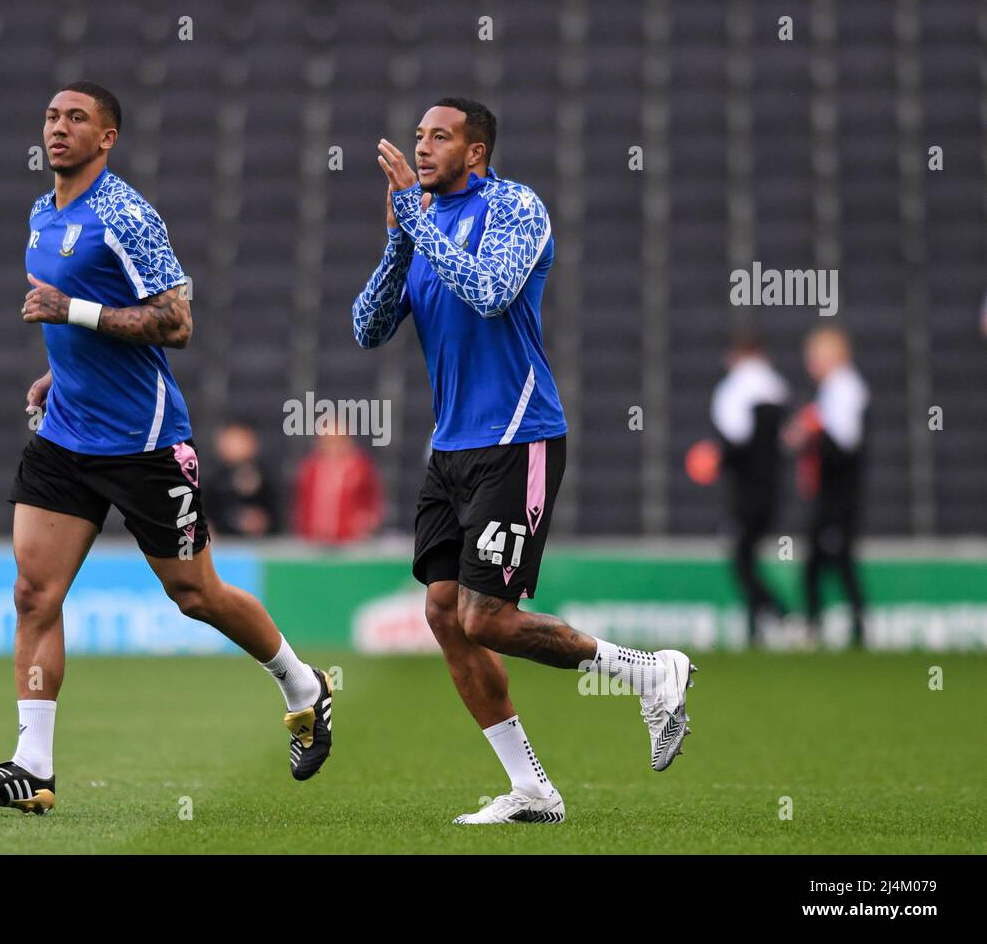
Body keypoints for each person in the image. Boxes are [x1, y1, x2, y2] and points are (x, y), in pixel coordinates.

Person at [0, 82, 334, 815]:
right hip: (65, 435)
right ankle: (32, 763)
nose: (58, 128)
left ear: (108, 137)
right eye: (52, 116)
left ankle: (300, 682)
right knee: (34, 593)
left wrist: (73, 311)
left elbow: (176, 322)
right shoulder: (42, 211)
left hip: (144, 441)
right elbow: (79, 332)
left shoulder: (127, 214)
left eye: (77, 119)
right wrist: (54, 371)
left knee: (196, 596)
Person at [352, 97, 695, 825]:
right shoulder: (421, 223)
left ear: (475, 151)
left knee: (487, 618)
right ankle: (532, 789)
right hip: (449, 449)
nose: (422, 148)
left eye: (439, 137)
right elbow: (367, 329)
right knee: (445, 614)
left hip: (518, 437)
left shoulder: (516, 208)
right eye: (417, 137)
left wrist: (416, 226)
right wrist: (397, 242)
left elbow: (488, 292)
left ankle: (649, 672)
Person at [785, 325, 870, 647]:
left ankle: (822, 626)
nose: (810, 364)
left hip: (839, 496)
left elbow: (845, 445)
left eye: (815, 357)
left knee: (827, 561)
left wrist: (812, 432)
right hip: (834, 494)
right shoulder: (835, 389)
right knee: (830, 561)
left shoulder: (843, 387)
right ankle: (847, 627)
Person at [710, 334, 790, 644]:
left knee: (742, 560)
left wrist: (719, 459)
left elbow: (738, 443)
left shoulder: (736, 390)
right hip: (771, 490)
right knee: (748, 559)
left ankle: (777, 615)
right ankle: (758, 626)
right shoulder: (776, 388)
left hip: (747, 494)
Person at [291, 427, 384, 543]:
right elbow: (301, 502)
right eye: (327, 440)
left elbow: (373, 501)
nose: (332, 445)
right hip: (313, 540)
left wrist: (367, 521)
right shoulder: (310, 467)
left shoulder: (360, 467)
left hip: (350, 541)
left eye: (337, 440)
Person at [204, 420, 278, 537]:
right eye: (228, 440)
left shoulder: (267, 478)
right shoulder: (212, 481)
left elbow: (277, 518)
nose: (231, 446)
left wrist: (260, 521)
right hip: (222, 548)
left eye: (238, 440)